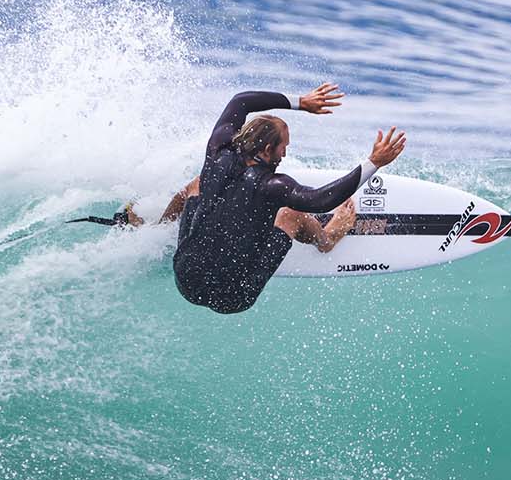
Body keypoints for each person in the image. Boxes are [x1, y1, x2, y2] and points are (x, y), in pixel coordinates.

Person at [154, 82, 408, 313]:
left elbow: (241, 100)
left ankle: (157, 229)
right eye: (284, 146)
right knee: (290, 214)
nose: (285, 153)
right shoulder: (272, 186)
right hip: (233, 297)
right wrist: (374, 162)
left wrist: (301, 102)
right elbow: (322, 200)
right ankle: (328, 239)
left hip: (186, 280)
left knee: (197, 184)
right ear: (267, 150)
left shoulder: (217, 150)